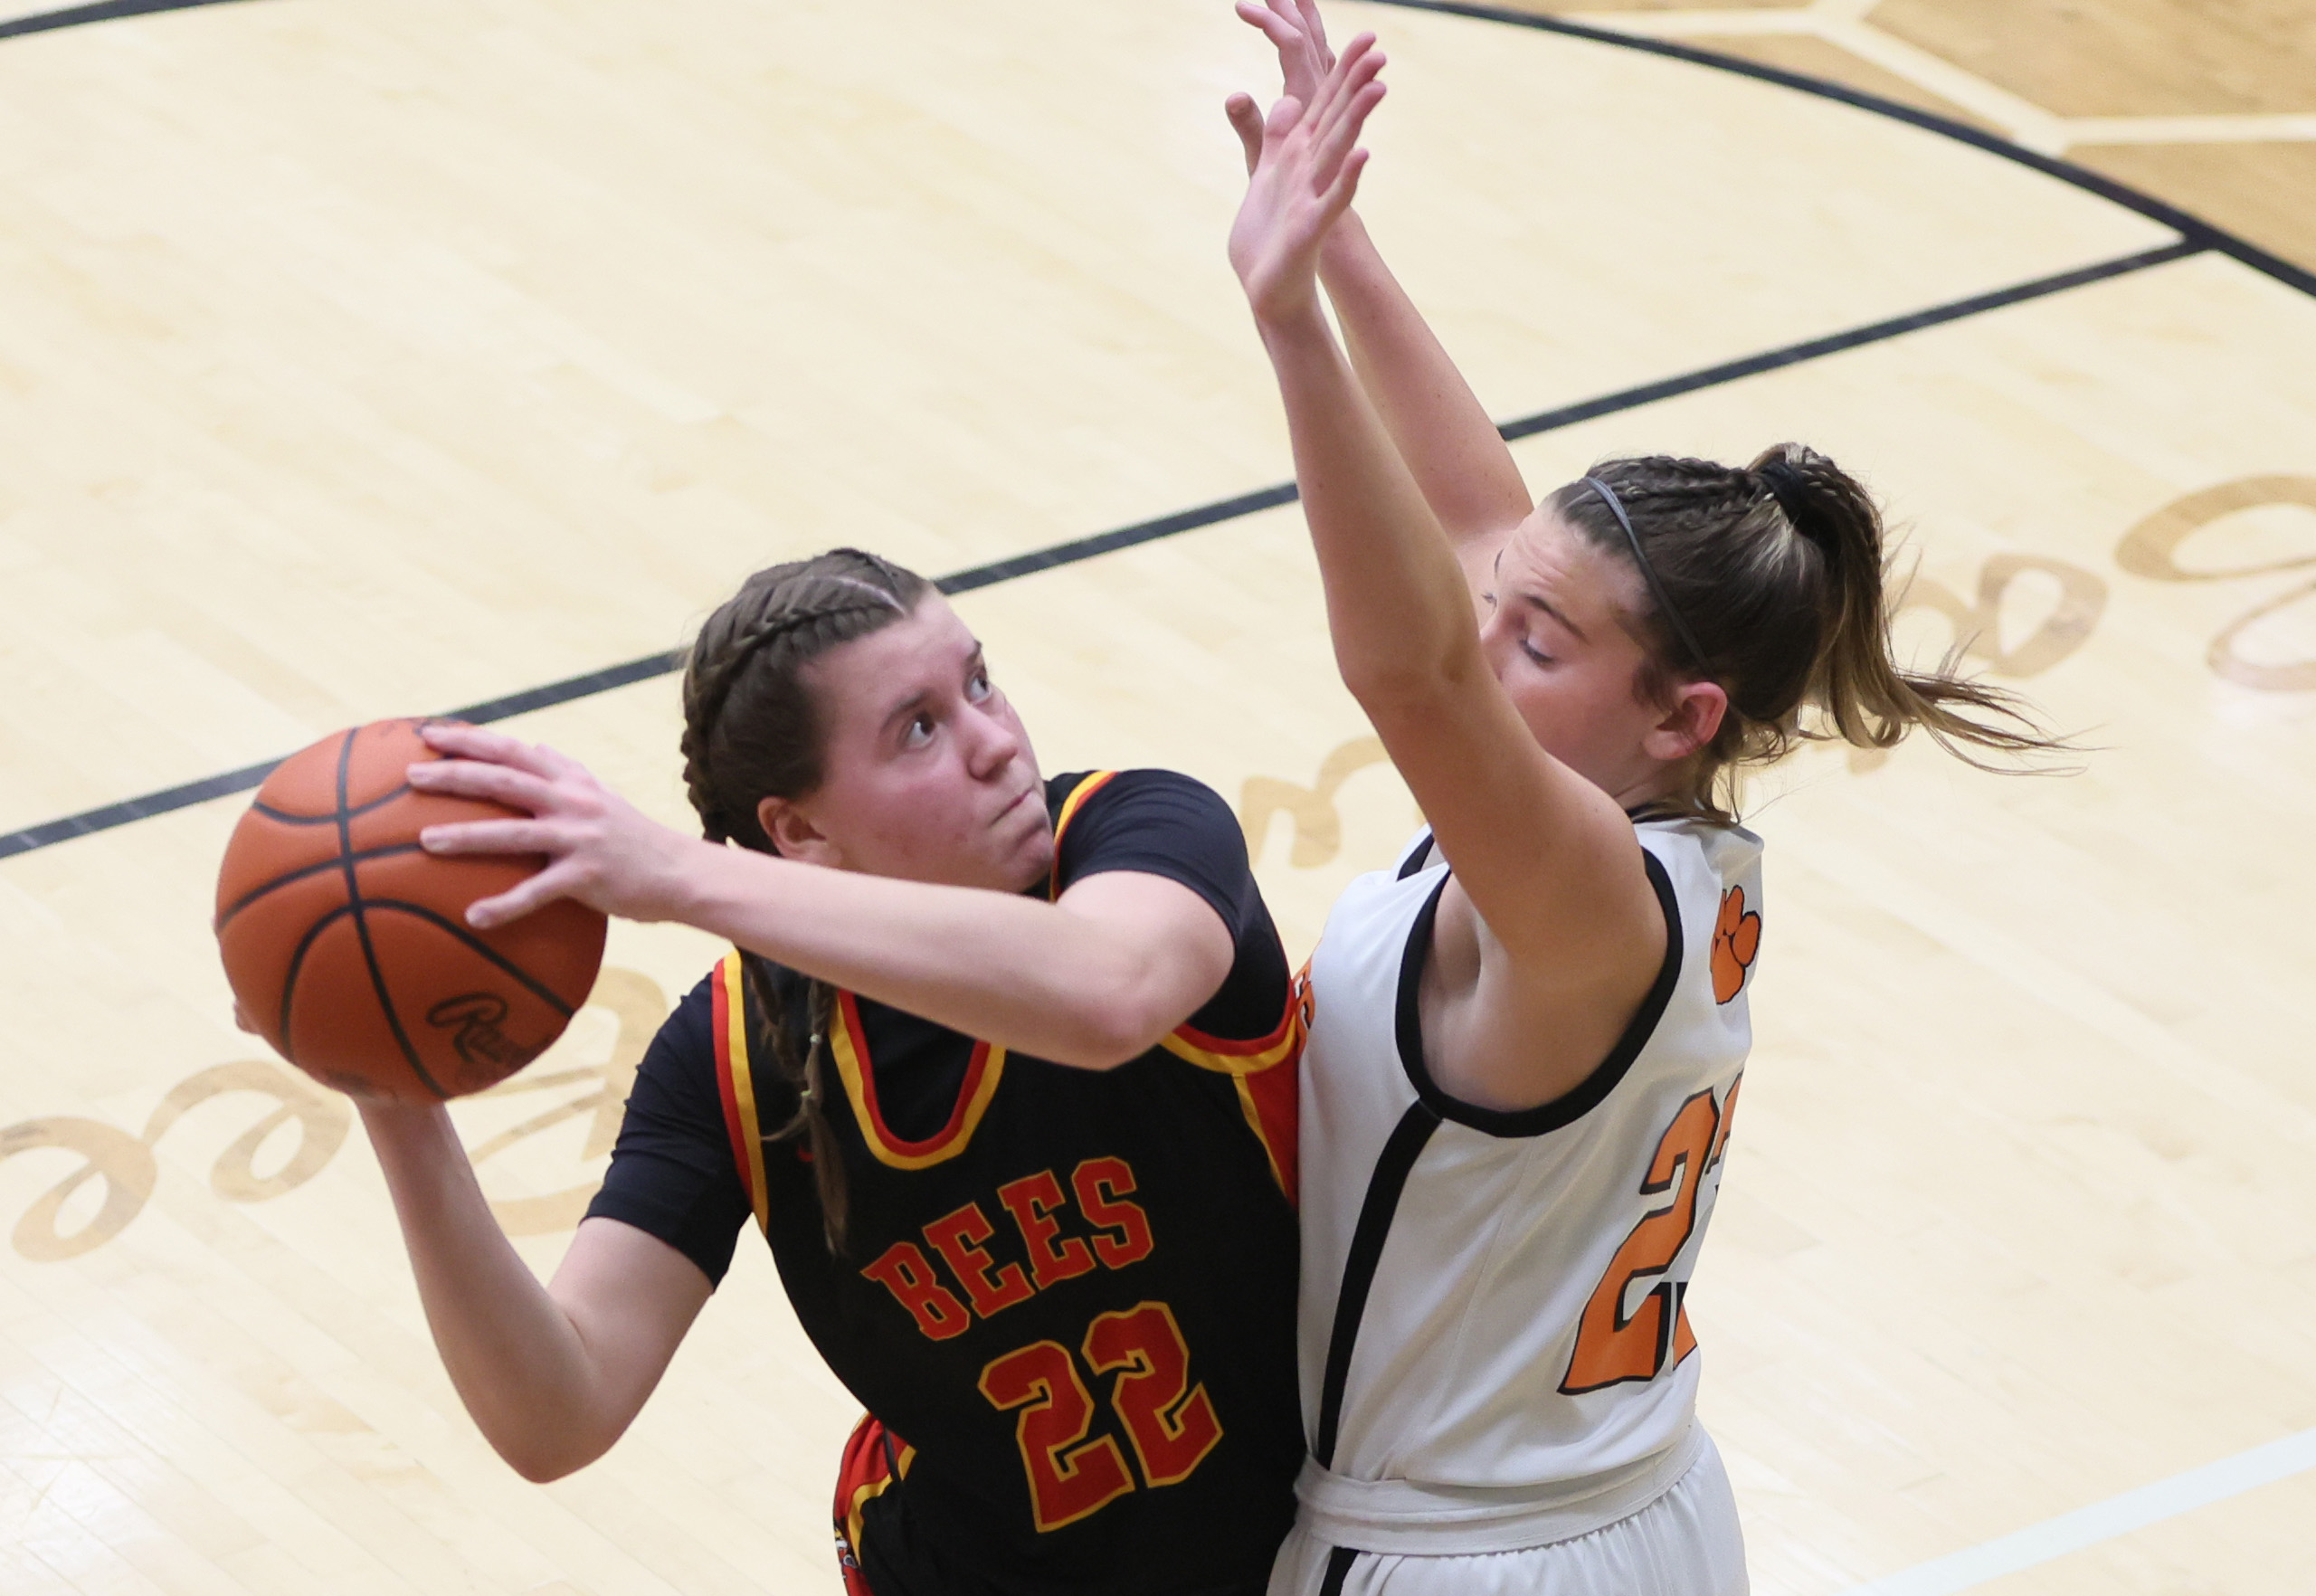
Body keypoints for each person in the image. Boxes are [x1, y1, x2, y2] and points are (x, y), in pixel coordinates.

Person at [1221, 8, 2066, 1591]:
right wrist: (1335, 239)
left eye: (1533, 636)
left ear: (1680, 715)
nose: (1487, 629)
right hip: (1644, 1499)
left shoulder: (1587, 900)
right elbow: (1481, 519)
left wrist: (1286, 329)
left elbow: (1412, 675)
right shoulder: (1651, 814)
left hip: (1466, 1550)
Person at [365, 549, 1306, 1595]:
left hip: (1317, 1538)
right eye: (920, 727)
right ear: (799, 831)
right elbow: (558, 1414)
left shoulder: (1137, 837)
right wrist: (396, 1110)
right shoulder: (735, 1050)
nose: (996, 743)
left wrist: (680, 876)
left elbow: (1110, 995)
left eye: (980, 681)